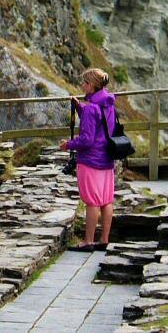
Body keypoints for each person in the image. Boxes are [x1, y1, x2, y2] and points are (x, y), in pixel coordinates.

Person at [59, 68, 117, 251]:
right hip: (107, 158)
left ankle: (88, 241)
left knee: (91, 201)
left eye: (84, 82)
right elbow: (101, 125)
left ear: (91, 85)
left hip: (91, 160)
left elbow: (87, 139)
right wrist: (79, 109)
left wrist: (68, 145)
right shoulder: (107, 104)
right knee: (106, 200)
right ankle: (104, 240)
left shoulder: (92, 108)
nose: (81, 85)